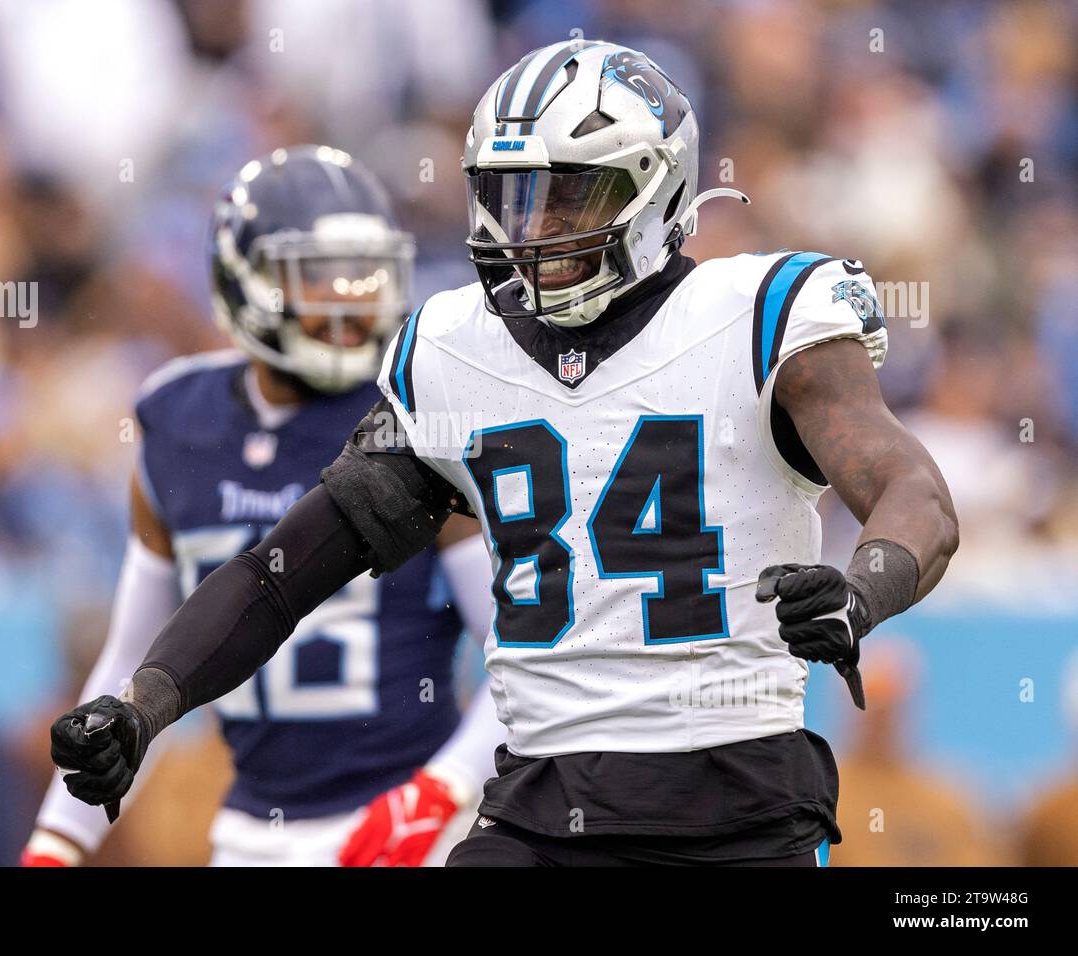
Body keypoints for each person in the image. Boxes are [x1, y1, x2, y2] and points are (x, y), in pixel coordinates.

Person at [51, 43, 958, 867]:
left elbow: (913, 493)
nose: (539, 225)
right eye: (516, 192)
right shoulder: (455, 347)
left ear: (658, 188)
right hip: (539, 805)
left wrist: (860, 589)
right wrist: (145, 707)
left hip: (736, 804)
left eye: (573, 191)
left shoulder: (762, 313)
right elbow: (286, 570)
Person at [25, 145, 500, 867]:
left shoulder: (409, 410)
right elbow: (134, 664)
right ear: (245, 281)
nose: (347, 302)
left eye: (363, 275)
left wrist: (440, 792)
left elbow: (516, 654)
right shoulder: (177, 421)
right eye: (319, 277)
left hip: (407, 823)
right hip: (255, 836)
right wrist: (57, 842)